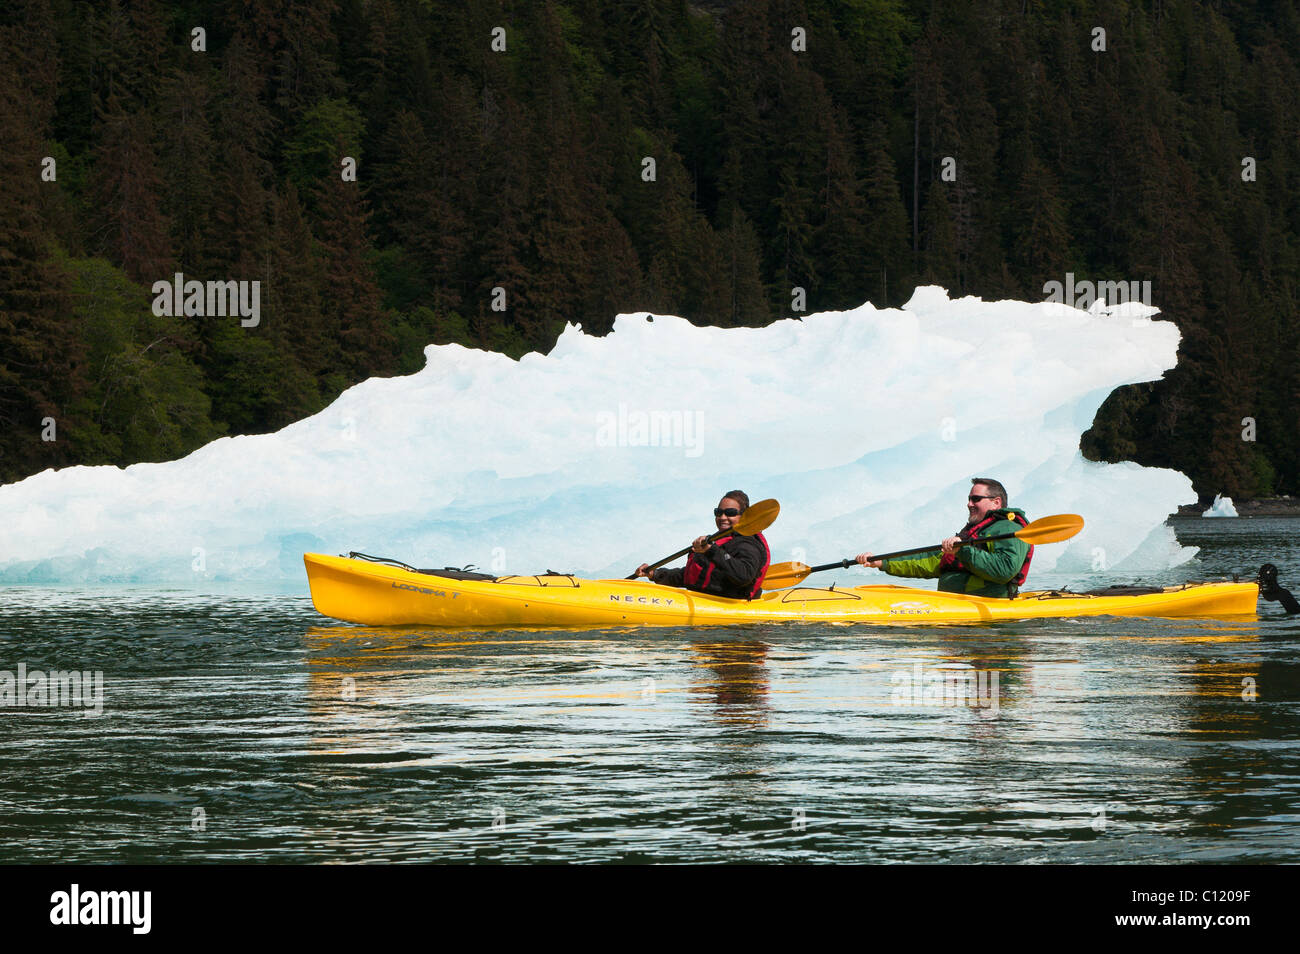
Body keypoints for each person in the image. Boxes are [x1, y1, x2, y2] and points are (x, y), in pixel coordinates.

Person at [855, 478, 1033, 598]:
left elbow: (1004, 570)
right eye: (969, 499)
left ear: (996, 502)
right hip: (957, 605)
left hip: (990, 610)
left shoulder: (1010, 529)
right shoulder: (973, 532)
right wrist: (882, 562)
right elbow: (929, 562)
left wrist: (962, 550)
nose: (969, 504)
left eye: (976, 499)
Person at [635, 490, 770, 599]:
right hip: (703, 601)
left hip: (731, 612)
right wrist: (655, 574)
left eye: (730, 513)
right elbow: (688, 576)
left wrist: (712, 551)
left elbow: (744, 576)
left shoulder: (748, 543)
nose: (722, 517)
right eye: (719, 512)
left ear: (744, 516)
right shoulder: (716, 542)